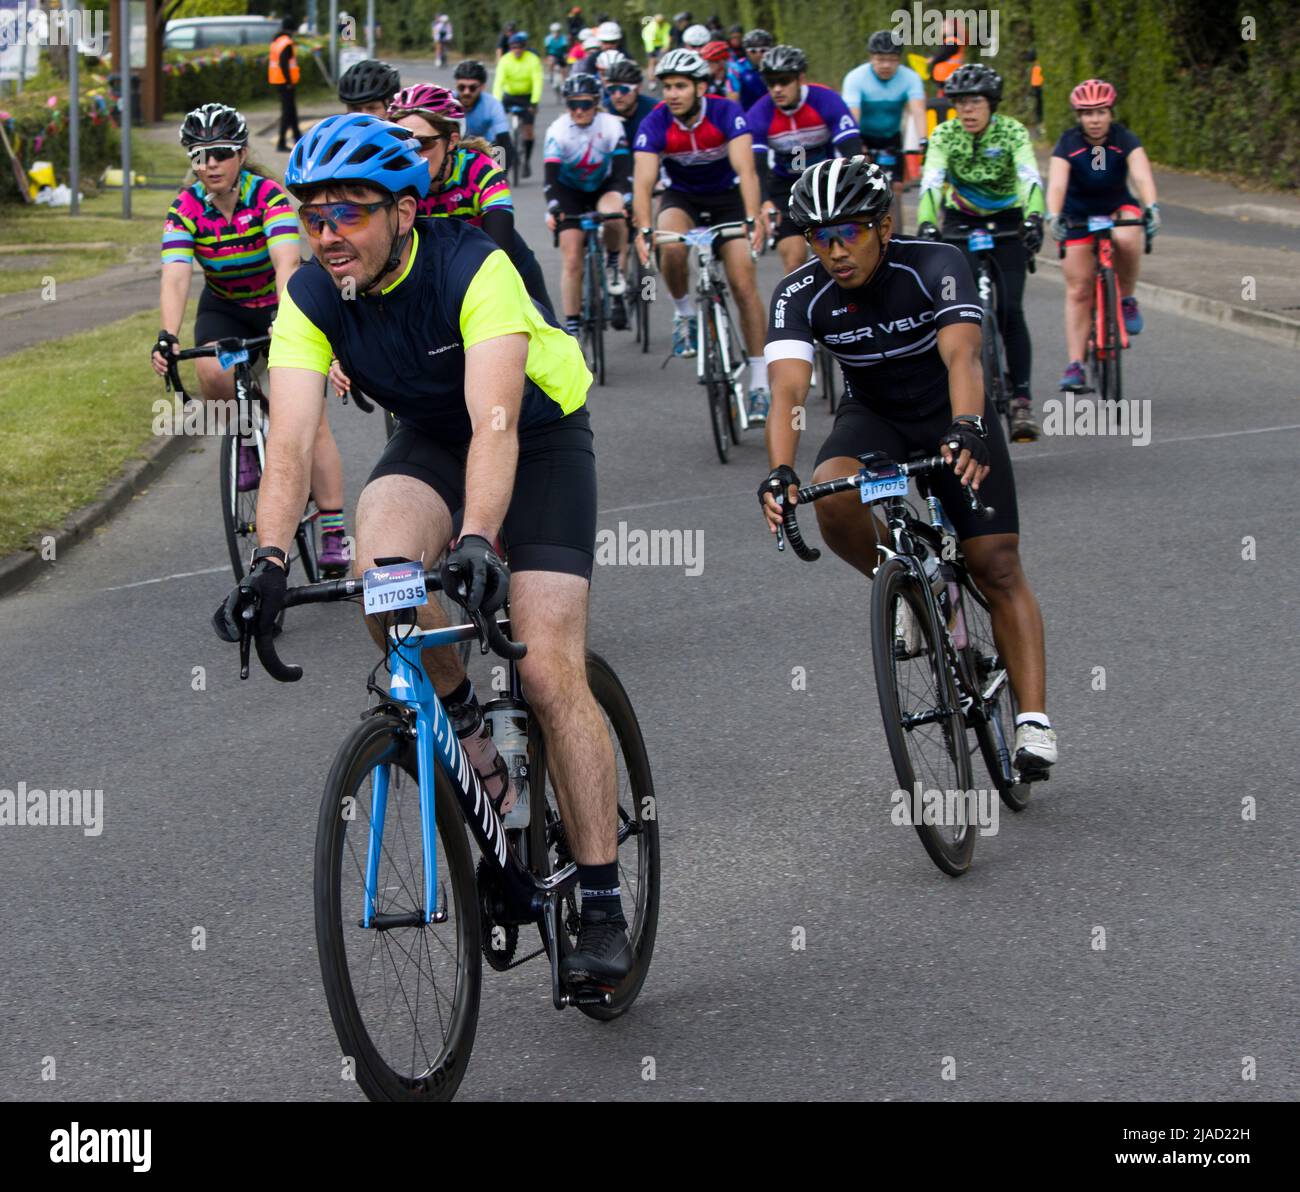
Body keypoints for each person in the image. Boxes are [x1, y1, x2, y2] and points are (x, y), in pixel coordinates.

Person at [217, 112, 631, 984]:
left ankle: (600, 898)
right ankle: (473, 737)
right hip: (433, 441)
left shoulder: (471, 264)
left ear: (404, 211)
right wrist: (266, 562)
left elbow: (497, 419)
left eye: (350, 214)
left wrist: (481, 536)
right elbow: (289, 443)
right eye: (312, 215)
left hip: (536, 433)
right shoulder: (311, 295)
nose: (328, 236)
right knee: (384, 580)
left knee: (551, 667)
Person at [758, 157, 1057, 778]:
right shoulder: (799, 292)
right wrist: (780, 471)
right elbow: (787, 393)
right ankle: (910, 587)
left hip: (952, 411)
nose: (836, 251)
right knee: (830, 494)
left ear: (884, 227)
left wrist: (969, 425)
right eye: (820, 236)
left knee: (994, 563)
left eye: (851, 232)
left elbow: (963, 358)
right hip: (875, 416)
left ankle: (1033, 720)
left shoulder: (935, 264)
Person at [154, 104, 350, 577]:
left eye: (220, 153)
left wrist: (290, 328)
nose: (209, 165)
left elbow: (287, 264)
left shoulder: (269, 198)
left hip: (279, 297)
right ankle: (249, 426)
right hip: (225, 303)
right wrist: (167, 335)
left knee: (309, 416)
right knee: (212, 374)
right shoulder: (185, 208)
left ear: (241, 153)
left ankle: (334, 528)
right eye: (199, 156)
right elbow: (177, 275)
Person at [632, 48, 769, 422]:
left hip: (727, 199)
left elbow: (748, 172)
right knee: (670, 246)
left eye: (680, 86)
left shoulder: (726, 112)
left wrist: (754, 218)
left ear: (700, 87)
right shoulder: (655, 123)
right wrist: (643, 230)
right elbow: (643, 184)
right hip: (683, 199)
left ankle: (759, 381)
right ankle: (684, 313)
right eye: (667, 87)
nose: (672, 94)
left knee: (743, 283)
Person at [916, 63, 1045, 442]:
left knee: (1010, 311)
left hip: (1008, 222)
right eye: (960, 103)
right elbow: (931, 182)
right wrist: (927, 222)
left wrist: (1035, 217)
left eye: (975, 102)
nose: (968, 110)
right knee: (962, 317)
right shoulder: (945, 135)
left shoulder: (1011, 132)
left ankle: (1021, 399)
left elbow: (1029, 177)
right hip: (961, 223)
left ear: (991, 104)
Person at [388, 84, 553, 313]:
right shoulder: (394, 180)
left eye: (423, 144)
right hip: (431, 272)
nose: (413, 155)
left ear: (452, 140)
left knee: (552, 340)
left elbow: (499, 248)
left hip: (495, 261)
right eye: (403, 145)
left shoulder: (481, 169)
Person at [1046, 79, 1160, 391]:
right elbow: (1056, 184)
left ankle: (1126, 297)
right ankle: (1075, 365)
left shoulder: (1125, 138)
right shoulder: (1068, 143)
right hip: (1077, 214)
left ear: (1110, 113)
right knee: (1079, 290)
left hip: (1115, 207)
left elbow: (1141, 174)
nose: (1094, 119)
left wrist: (1151, 207)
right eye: (1087, 113)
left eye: (1101, 112)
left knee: (1127, 235)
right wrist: (1053, 215)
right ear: (1078, 117)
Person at [748, 45, 862, 274]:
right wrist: (764, 201)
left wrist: (856, 189)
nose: (777, 89)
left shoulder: (825, 99)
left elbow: (852, 150)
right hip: (785, 188)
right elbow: (755, 167)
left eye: (784, 81)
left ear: (801, 78)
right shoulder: (759, 112)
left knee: (842, 255)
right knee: (794, 262)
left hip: (827, 182)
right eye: (771, 83)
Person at [544, 73, 632, 335]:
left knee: (615, 215)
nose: (579, 110)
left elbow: (622, 171)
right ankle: (572, 325)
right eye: (573, 104)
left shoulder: (611, 125)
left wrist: (626, 200)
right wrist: (554, 207)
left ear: (596, 103)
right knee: (572, 259)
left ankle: (614, 265)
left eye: (585, 104)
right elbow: (551, 180)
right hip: (569, 192)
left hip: (604, 187)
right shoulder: (557, 130)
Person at [841, 31, 926, 227]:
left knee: (895, 189)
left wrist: (923, 140)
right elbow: (853, 116)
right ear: (871, 57)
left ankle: (897, 238)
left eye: (892, 60)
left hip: (890, 138)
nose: (886, 65)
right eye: (880, 60)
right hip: (862, 138)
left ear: (899, 60)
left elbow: (918, 110)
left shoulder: (909, 78)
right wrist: (855, 145)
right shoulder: (856, 78)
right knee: (861, 187)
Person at [493, 32, 544, 178]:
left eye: (520, 47)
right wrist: (496, 102)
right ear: (510, 48)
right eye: (513, 47)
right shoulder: (505, 60)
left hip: (527, 97)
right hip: (509, 96)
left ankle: (526, 161)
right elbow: (499, 82)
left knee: (528, 131)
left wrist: (534, 101)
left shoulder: (532, 59)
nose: (517, 50)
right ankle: (498, 168)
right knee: (497, 131)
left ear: (524, 47)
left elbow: (537, 81)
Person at [454, 60, 512, 169]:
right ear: (456, 85)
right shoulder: (447, 100)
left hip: (487, 148)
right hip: (456, 147)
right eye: (462, 87)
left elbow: (505, 141)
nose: (466, 92)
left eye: (472, 88)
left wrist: (501, 176)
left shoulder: (492, 104)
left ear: (482, 87)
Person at [604, 57, 656, 146]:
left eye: (624, 89)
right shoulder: (603, 111)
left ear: (638, 88)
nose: (617, 96)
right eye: (612, 89)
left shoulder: (655, 111)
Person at [268, 16, 302, 151]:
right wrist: (289, 81)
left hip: (278, 80)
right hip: (285, 82)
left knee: (291, 110)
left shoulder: (277, 41)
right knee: (287, 112)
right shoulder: (286, 43)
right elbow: (283, 63)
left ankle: (298, 137)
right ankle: (281, 142)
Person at [726, 28, 771, 110]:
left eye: (763, 50)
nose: (758, 54)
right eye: (753, 51)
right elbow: (732, 100)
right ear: (746, 51)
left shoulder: (775, 66)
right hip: (748, 115)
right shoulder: (736, 68)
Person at [642, 12, 671, 78]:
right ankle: (651, 79)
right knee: (652, 62)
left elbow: (666, 36)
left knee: (663, 61)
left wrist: (666, 46)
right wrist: (651, 50)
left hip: (661, 46)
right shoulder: (651, 27)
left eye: (661, 22)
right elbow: (648, 40)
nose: (660, 23)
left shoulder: (667, 26)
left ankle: (664, 76)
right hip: (651, 46)